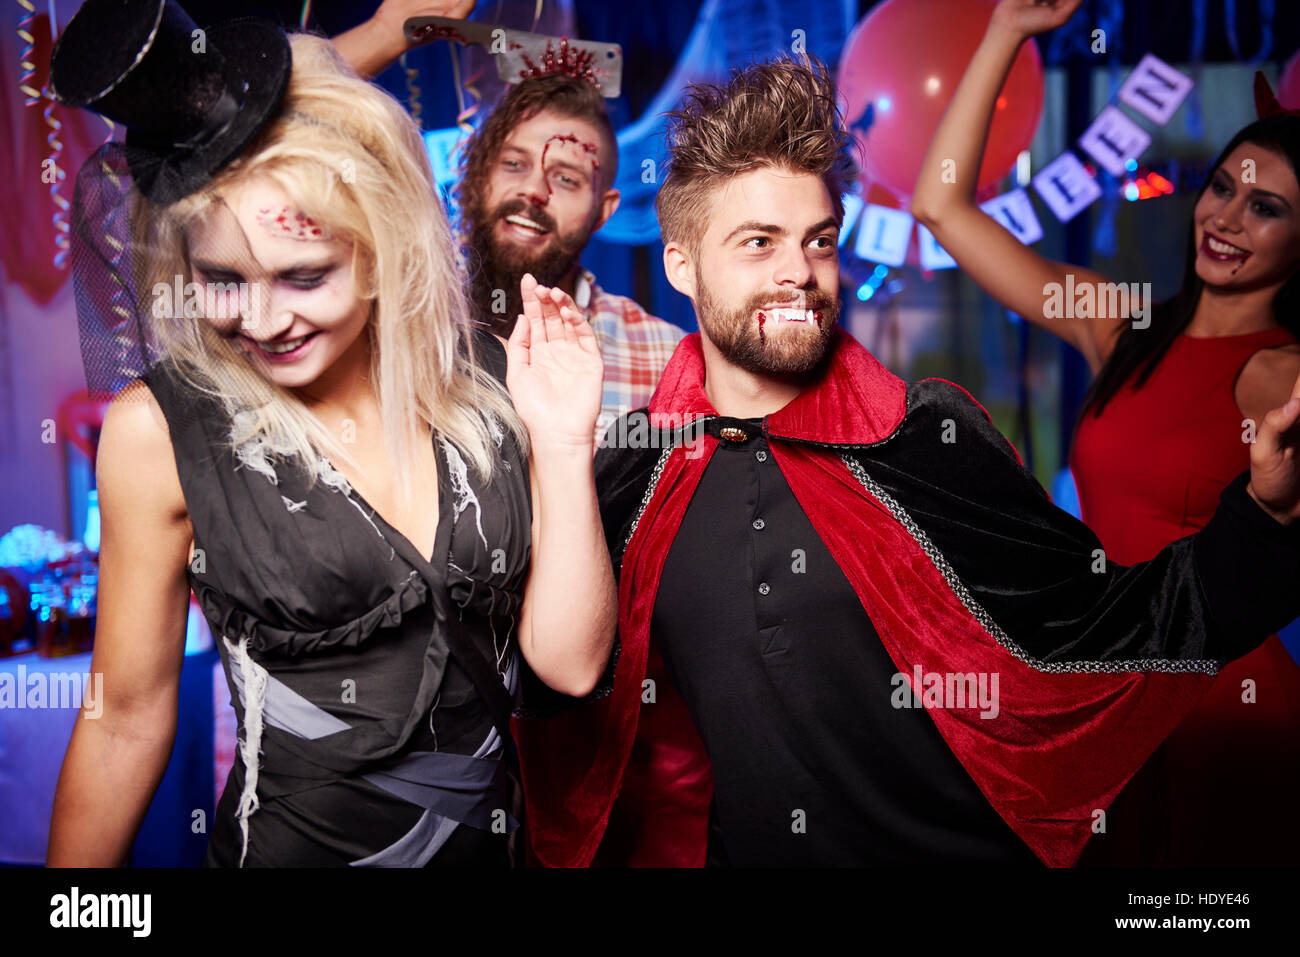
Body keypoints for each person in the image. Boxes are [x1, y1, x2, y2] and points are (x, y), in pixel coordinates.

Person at [511, 55, 1300, 868]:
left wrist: (1266, 519)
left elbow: (1106, 618)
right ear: (681, 265)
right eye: (758, 242)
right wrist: (564, 444)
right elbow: (568, 674)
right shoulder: (641, 472)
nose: (799, 271)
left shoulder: (920, 437)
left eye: (818, 241)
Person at [44, 0, 614, 867]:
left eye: (305, 275)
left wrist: (565, 444)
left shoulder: (491, 377)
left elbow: (570, 668)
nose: (264, 320)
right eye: (221, 279)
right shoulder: (157, 433)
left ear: (381, 248)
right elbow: (122, 719)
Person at [910, 0, 1300, 865]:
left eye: (1266, 206)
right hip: (1102, 687)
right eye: (1225, 185)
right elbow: (940, 206)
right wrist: (1005, 33)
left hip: (1222, 704)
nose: (1227, 217)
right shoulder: (1117, 325)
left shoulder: (1285, 372)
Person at [332, 3, 685, 444]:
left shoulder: (663, 360)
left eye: (566, 178)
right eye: (514, 163)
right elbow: (253, 133)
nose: (534, 190)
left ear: (603, 210)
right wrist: (384, 32)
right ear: (476, 175)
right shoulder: (390, 309)